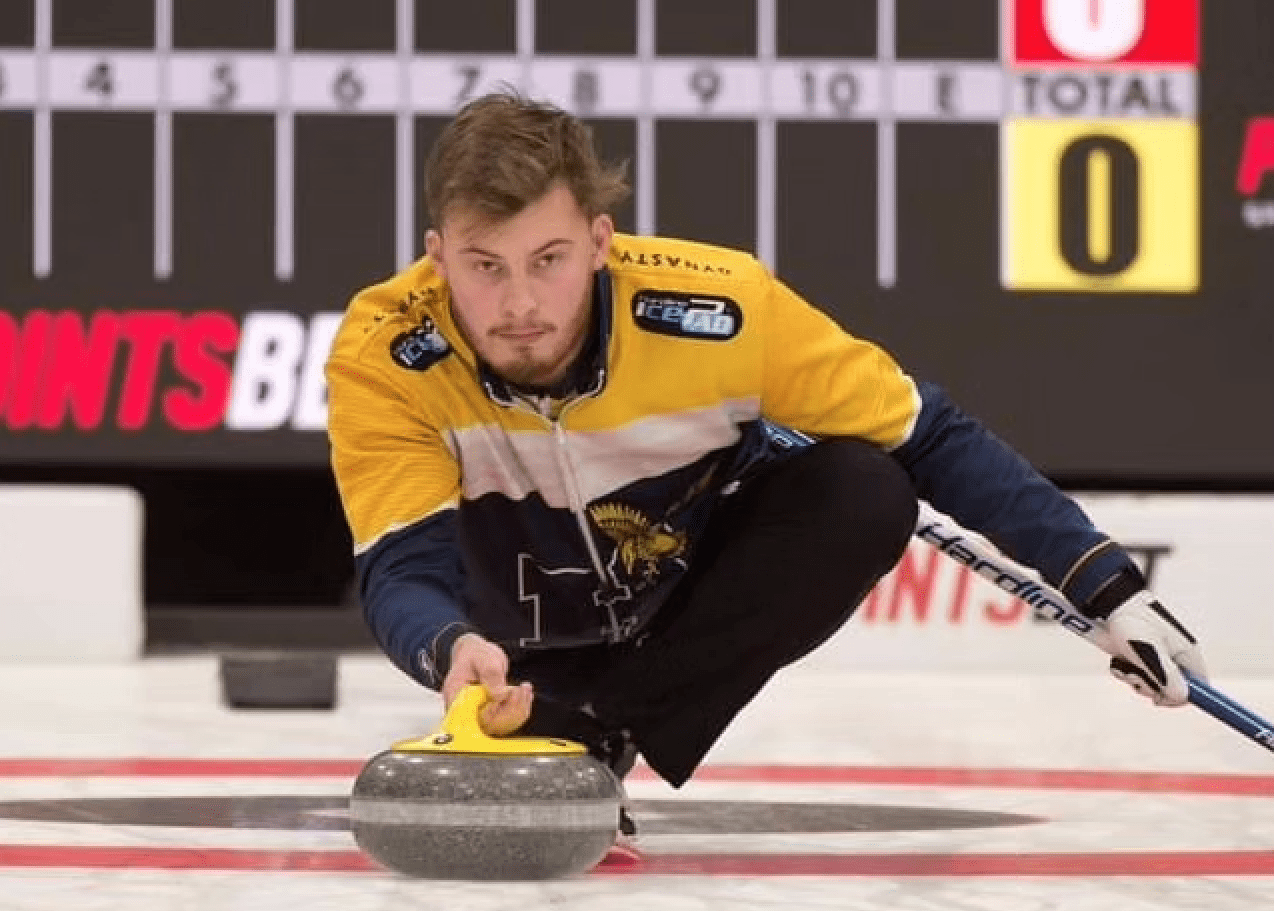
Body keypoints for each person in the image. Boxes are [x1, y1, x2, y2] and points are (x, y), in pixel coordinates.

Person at [325, 90, 1206, 802]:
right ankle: (567, 715)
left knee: (867, 491)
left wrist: (1107, 585)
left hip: (676, 617)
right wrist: (448, 649)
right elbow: (402, 567)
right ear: (438, 259)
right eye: (486, 266)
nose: (519, 302)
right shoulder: (385, 354)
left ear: (600, 242)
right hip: (512, 642)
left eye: (547, 259)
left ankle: (606, 727)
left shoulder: (723, 311)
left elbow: (927, 432)